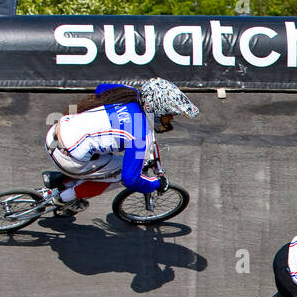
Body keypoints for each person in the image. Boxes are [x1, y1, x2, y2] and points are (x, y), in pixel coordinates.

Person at [41, 78, 198, 215]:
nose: (169, 120)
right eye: (168, 115)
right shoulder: (140, 136)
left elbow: (100, 89)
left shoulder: (127, 93)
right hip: (66, 158)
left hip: (54, 134)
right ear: (156, 109)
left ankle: (62, 180)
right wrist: (155, 184)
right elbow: (130, 180)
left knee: (104, 158)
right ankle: (63, 198)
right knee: (117, 174)